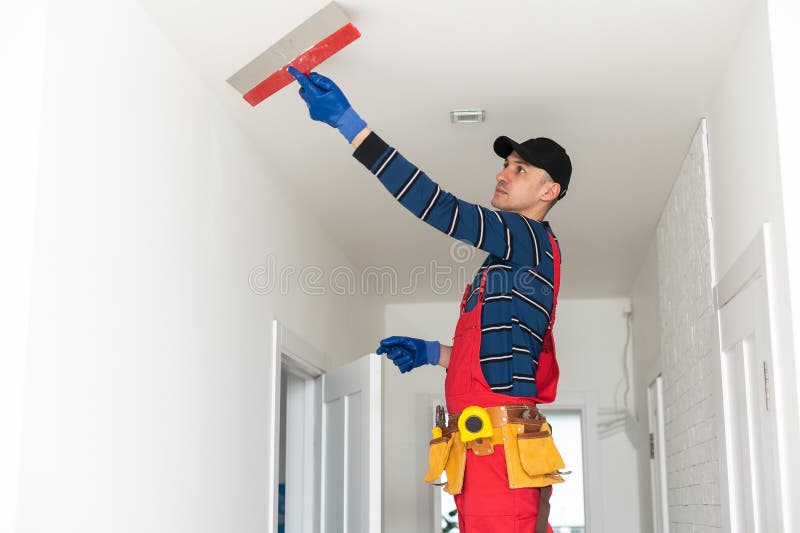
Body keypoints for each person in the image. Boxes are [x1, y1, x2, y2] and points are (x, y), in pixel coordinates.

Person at [288, 66, 571, 533]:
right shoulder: (510, 260)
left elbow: (438, 206)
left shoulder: (525, 236)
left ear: (549, 191)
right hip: (487, 447)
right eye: (505, 164)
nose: (503, 174)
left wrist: (350, 125)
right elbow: (501, 355)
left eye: (520, 169)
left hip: (497, 450)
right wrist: (431, 353)